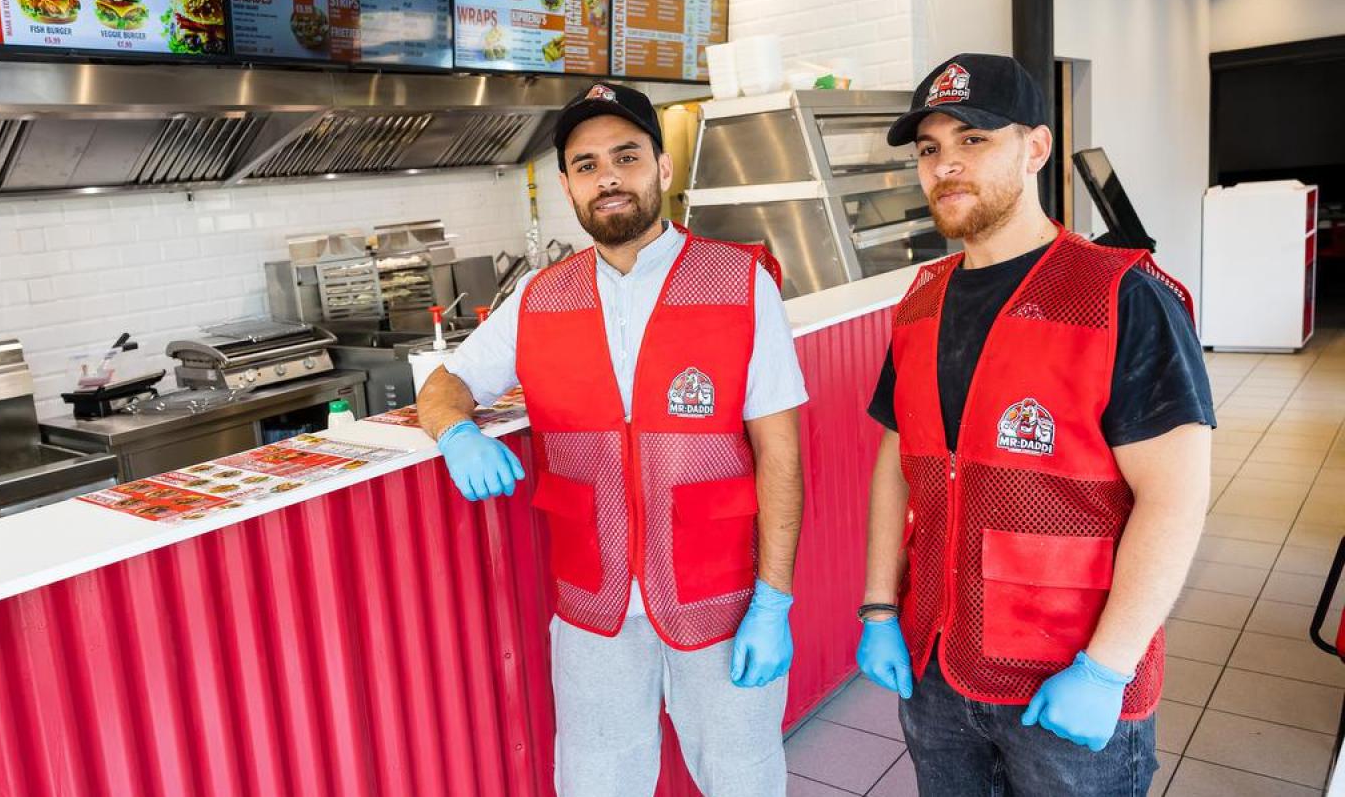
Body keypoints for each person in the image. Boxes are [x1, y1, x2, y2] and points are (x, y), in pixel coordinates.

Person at [416, 81, 808, 796]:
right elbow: (445, 384)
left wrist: (774, 601)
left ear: (661, 168)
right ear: (567, 185)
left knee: (743, 779)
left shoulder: (742, 284)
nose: (608, 178)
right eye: (587, 164)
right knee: (597, 781)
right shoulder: (537, 298)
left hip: (718, 594)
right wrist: (455, 433)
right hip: (593, 601)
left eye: (625, 157)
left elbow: (781, 452)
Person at [854, 53, 1216, 795]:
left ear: (1037, 148)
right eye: (930, 149)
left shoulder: (1122, 296)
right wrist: (879, 607)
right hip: (937, 667)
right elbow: (897, 463)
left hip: (1067, 675)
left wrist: (1107, 666)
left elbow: (1175, 499)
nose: (946, 165)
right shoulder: (919, 305)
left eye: (974, 140)